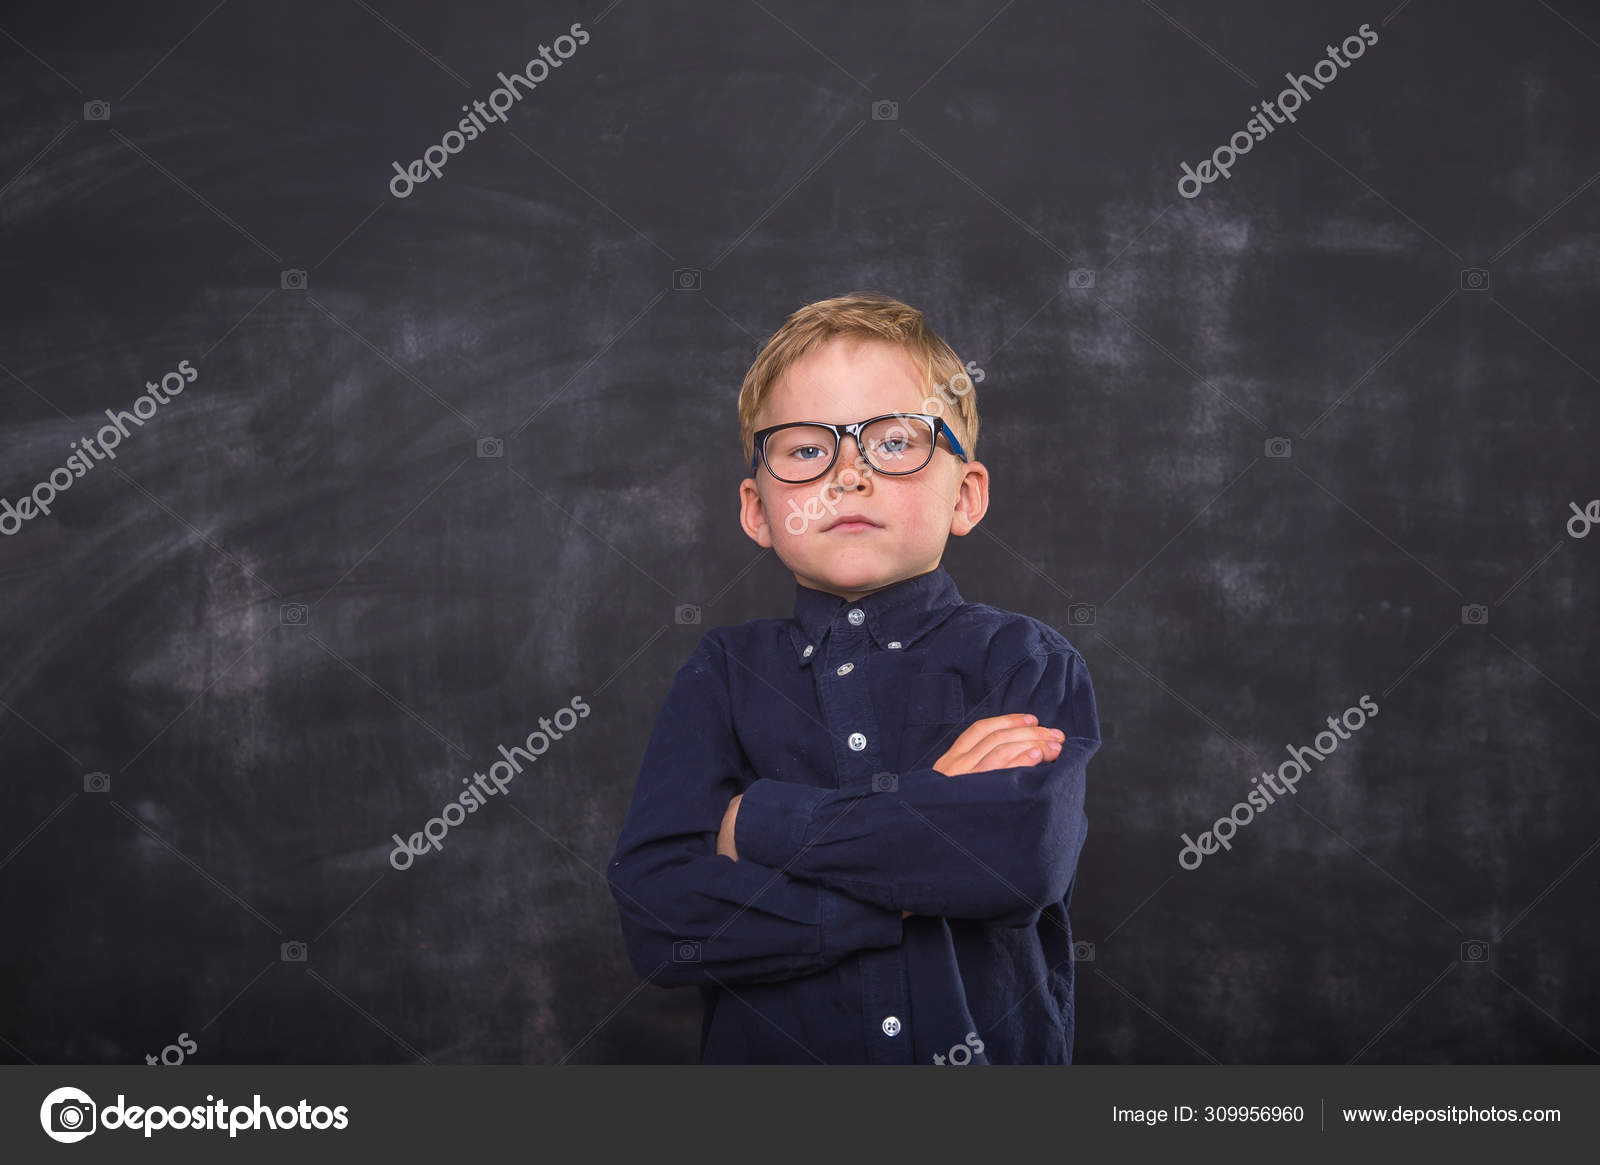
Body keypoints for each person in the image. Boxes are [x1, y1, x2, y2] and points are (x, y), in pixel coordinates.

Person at [607, 291, 1102, 1063]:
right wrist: (917, 854)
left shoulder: (1025, 660)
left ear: (965, 494)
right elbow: (662, 918)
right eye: (806, 450)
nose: (848, 474)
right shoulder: (723, 673)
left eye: (893, 440)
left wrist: (758, 822)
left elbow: (1016, 857)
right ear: (758, 510)